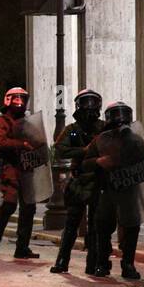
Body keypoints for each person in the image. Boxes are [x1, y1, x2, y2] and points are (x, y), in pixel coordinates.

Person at [80, 101, 144, 280]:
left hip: (129, 190)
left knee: (131, 227)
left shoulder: (135, 140)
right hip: (108, 189)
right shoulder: (100, 140)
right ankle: (102, 263)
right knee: (102, 225)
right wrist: (98, 162)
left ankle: (128, 264)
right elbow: (85, 163)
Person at [50, 89, 107, 274]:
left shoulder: (104, 128)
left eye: (93, 103)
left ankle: (95, 264)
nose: (89, 107)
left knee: (97, 226)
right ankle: (62, 261)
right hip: (80, 181)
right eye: (86, 103)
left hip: (99, 181)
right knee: (71, 224)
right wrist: (84, 151)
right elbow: (60, 149)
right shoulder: (73, 130)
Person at [0, 87, 40, 259]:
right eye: (16, 99)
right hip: (10, 166)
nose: (20, 102)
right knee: (9, 204)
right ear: (8, 100)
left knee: (29, 208)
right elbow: (0, 141)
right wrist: (22, 144)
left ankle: (22, 247)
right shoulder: (2, 121)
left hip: (27, 168)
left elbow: (37, 141)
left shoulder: (27, 123)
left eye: (23, 99)